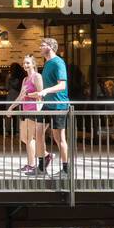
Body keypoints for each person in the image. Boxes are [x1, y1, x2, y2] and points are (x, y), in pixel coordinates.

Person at [6, 53, 46, 176]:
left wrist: (27, 96)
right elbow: (20, 96)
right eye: (24, 63)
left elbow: (41, 94)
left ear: (33, 64)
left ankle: (32, 164)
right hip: (24, 110)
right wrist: (11, 108)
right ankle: (46, 155)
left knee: (29, 139)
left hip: (34, 111)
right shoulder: (25, 79)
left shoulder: (37, 77)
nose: (25, 65)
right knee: (24, 138)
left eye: (28, 63)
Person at [37, 38, 70, 177]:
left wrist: (46, 91)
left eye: (42, 45)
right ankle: (42, 163)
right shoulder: (47, 63)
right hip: (47, 104)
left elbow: (62, 85)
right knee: (37, 132)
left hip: (59, 105)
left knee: (59, 137)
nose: (40, 47)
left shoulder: (58, 62)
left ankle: (66, 169)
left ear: (50, 47)